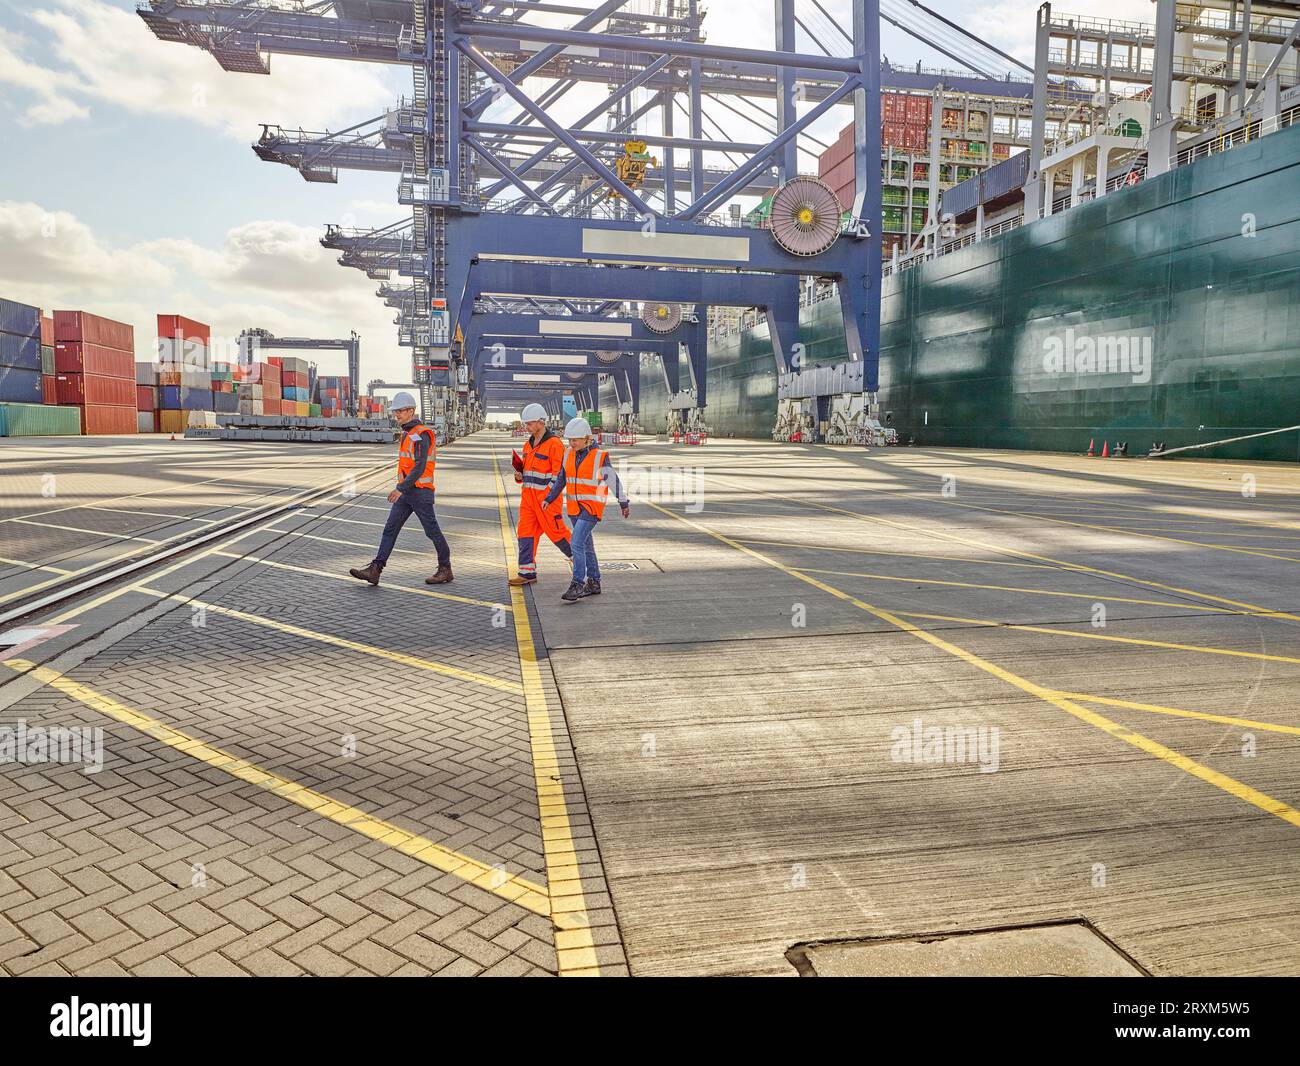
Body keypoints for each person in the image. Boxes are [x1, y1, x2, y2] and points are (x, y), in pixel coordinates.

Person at [349, 392, 453, 587]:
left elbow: (420, 466)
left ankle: (445, 569)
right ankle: (375, 570)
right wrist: (403, 489)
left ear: (411, 411)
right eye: (395, 411)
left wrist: (400, 488)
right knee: (390, 529)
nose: (396, 414)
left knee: (432, 532)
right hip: (407, 493)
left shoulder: (421, 434)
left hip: (420, 492)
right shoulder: (407, 433)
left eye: (400, 411)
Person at [541, 417, 630, 603]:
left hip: (591, 508)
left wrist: (623, 502)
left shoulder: (600, 456)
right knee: (587, 546)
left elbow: (613, 480)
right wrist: (549, 498)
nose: (571, 443)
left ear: (587, 438)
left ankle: (577, 583)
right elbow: (561, 480)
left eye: (575, 440)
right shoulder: (568, 454)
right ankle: (594, 582)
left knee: (576, 543)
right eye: (569, 440)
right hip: (574, 508)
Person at [510, 403, 573, 587]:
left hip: (547, 501)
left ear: (540, 422)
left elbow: (559, 475)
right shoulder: (528, 445)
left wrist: (548, 497)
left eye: (529, 424)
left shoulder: (555, 445)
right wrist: (519, 476)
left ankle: (581, 563)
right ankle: (527, 573)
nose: (527, 428)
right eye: (526, 424)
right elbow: (528, 472)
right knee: (525, 533)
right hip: (528, 500)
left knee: (557, 533)